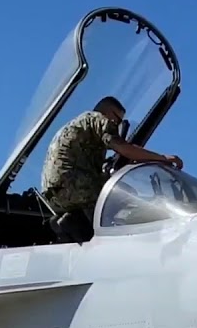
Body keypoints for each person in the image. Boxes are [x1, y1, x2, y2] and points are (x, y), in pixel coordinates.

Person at [40, 96, 183, 234]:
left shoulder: (79, 125)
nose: (117, 124)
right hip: (74, 187)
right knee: (128, 198)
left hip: (54, 197)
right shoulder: (97, 118)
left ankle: (75, 221)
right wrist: (162, 158)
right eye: (117, 118)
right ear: (106, 110)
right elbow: (123, 147)